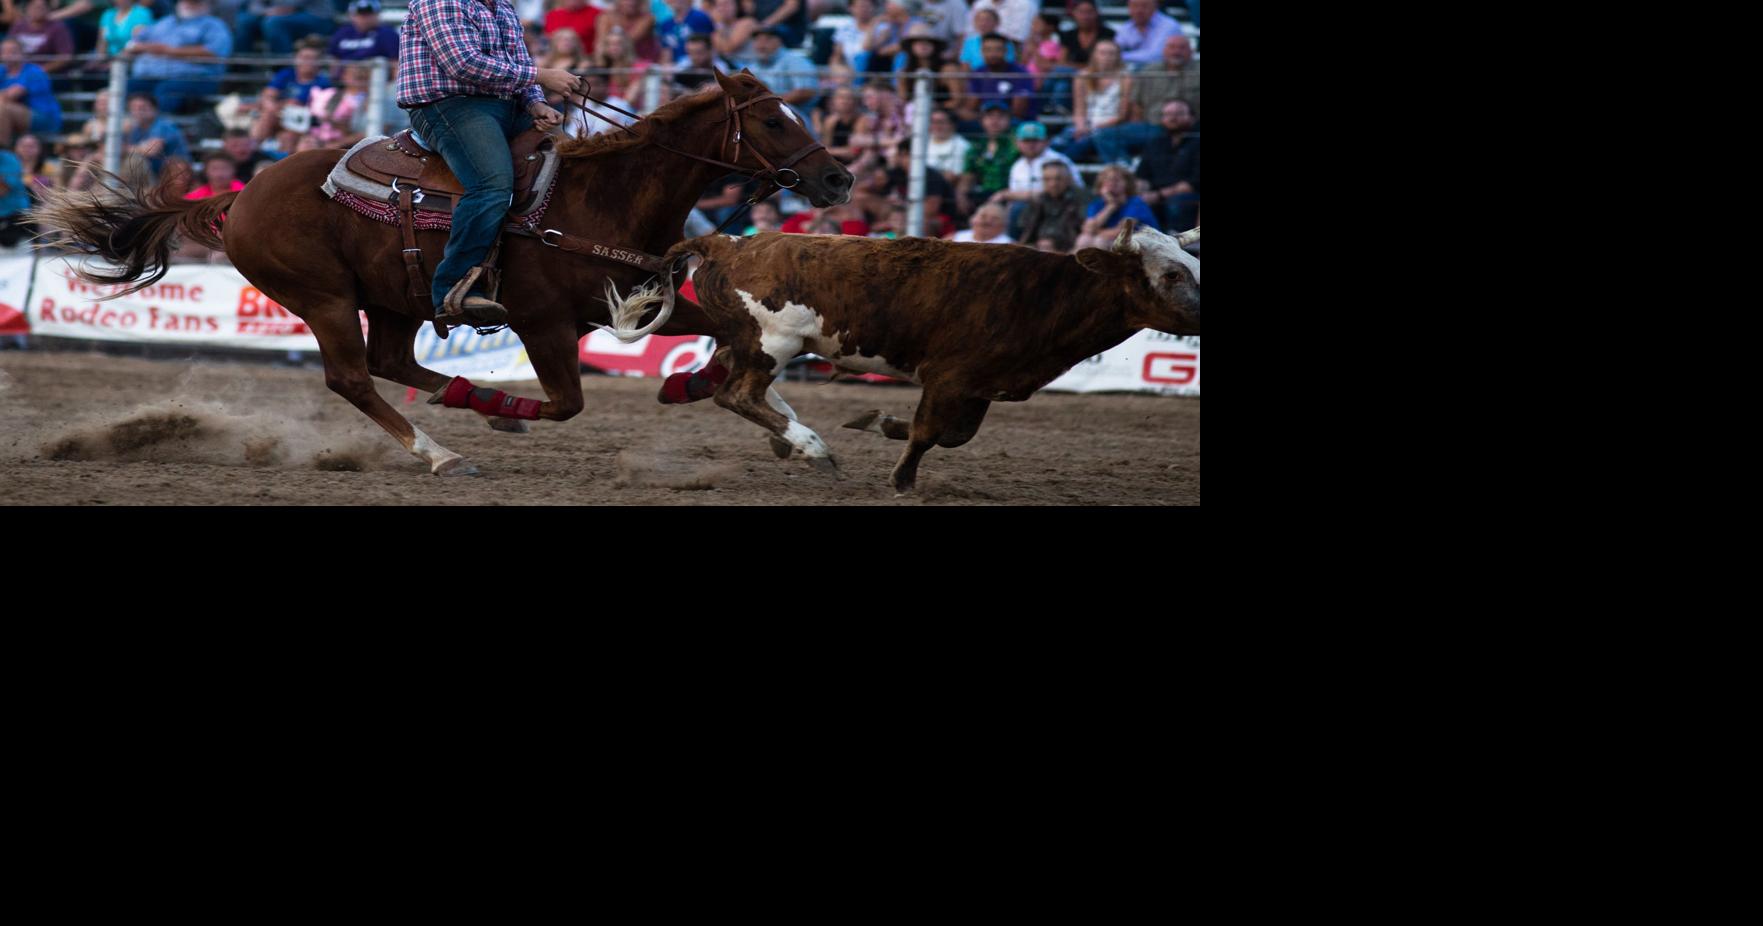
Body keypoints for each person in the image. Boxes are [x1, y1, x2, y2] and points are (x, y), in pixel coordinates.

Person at [397, 0, 583, 327]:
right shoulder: (441, 1)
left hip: (504, 105)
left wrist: (535, 102)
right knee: (490, 184)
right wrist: (542, 76)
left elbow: (516, 60)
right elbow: (463, 63)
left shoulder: (502, 6)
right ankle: (453, 288)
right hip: (449, 105)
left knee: (572, 165)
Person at [124, 0, 232, 114]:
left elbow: (214, 52)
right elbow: (134, 43)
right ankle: (123, 126)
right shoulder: (165, 22)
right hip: (151, 76)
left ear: (205, 5)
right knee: (127, 86)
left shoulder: (213, 25)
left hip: (193, 78)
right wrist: (141, 47)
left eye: (194, 2)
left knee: (167, 90)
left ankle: (158, 128)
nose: (187, 3)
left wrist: (169, 51)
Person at [1074, 163, 1157, 249]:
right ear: (1101, 184)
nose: (1112, 183)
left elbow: (1123, 232)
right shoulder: (1097, 204)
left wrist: (1095, 232)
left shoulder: (1135, 202)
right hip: (1118, 242)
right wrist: (1111, 206)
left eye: (1117, 180)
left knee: (1101, 241)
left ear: (1127, 184)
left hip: (1147, 245)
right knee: (1083, 240)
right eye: (1107, 180)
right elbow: (1088, 228)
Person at [0, 35, 58, 144]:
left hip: (43, 117)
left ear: (22, 53)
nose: (8, 54)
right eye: (4, 51)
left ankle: (3, 151)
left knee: (2, 107)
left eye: (13, 51)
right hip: (14, 115)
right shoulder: (2, 71)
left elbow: (11, 95)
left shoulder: (33, 71)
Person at [1016, 159, 1084, 252]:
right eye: (1047, 179)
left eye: (1058, 179)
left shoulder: (1081, 198)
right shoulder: (1038, 200)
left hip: (1070, 247)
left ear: (1068, 179)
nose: (1053, 184)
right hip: (1039, 246)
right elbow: (1026, 227)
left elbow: (1083, 226)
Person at [120, 91, 190, 178]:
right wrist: (125, 133)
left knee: (135, 161)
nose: (137, 112)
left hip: (175, 174)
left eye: (142, 108)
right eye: (133, 108)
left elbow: (152, 151)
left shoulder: (164, 125)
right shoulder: (132, 127)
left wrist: (124, 148)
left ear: (154, 109)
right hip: (151, 174)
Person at [235, 0, 336, 56]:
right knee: (245, 22)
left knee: (273, 23)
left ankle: (284, 68)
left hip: (317, 18)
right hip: (279, 16)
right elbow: (253, 7)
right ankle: (242, 70)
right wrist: (266, 12)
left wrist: (269, 11)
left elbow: (290, 5)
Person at [327, 0, 399, 73]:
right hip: (344, 79)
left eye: (368, 15)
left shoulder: (388, 34)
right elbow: (334, 61)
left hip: (376, 79)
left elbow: (395, 63)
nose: (364, 19)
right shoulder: (342, 33)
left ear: (377, 15)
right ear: (352, 16)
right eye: (360, 15)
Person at [7, 0, 74, 73]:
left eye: (41, 7)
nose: (37, 10)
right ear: (27, 8)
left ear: (48, 9)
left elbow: (65, 57)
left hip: (46, 74)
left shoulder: (58, 28)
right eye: (34, 7)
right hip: (17, 72)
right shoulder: (18, 26)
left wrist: (39, 70)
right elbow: (6, 49)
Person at [1113, 0, 1181, 68]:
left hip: (1161, 73)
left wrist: (1119, 56)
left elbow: (1156, 56)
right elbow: (1114, 50)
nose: (1139, 10)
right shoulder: (1126, 27)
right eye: (1135, 6)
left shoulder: (1169, 26)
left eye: (1144, 6)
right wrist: (1114, 55)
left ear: (1155, 6)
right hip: (1131, 72)